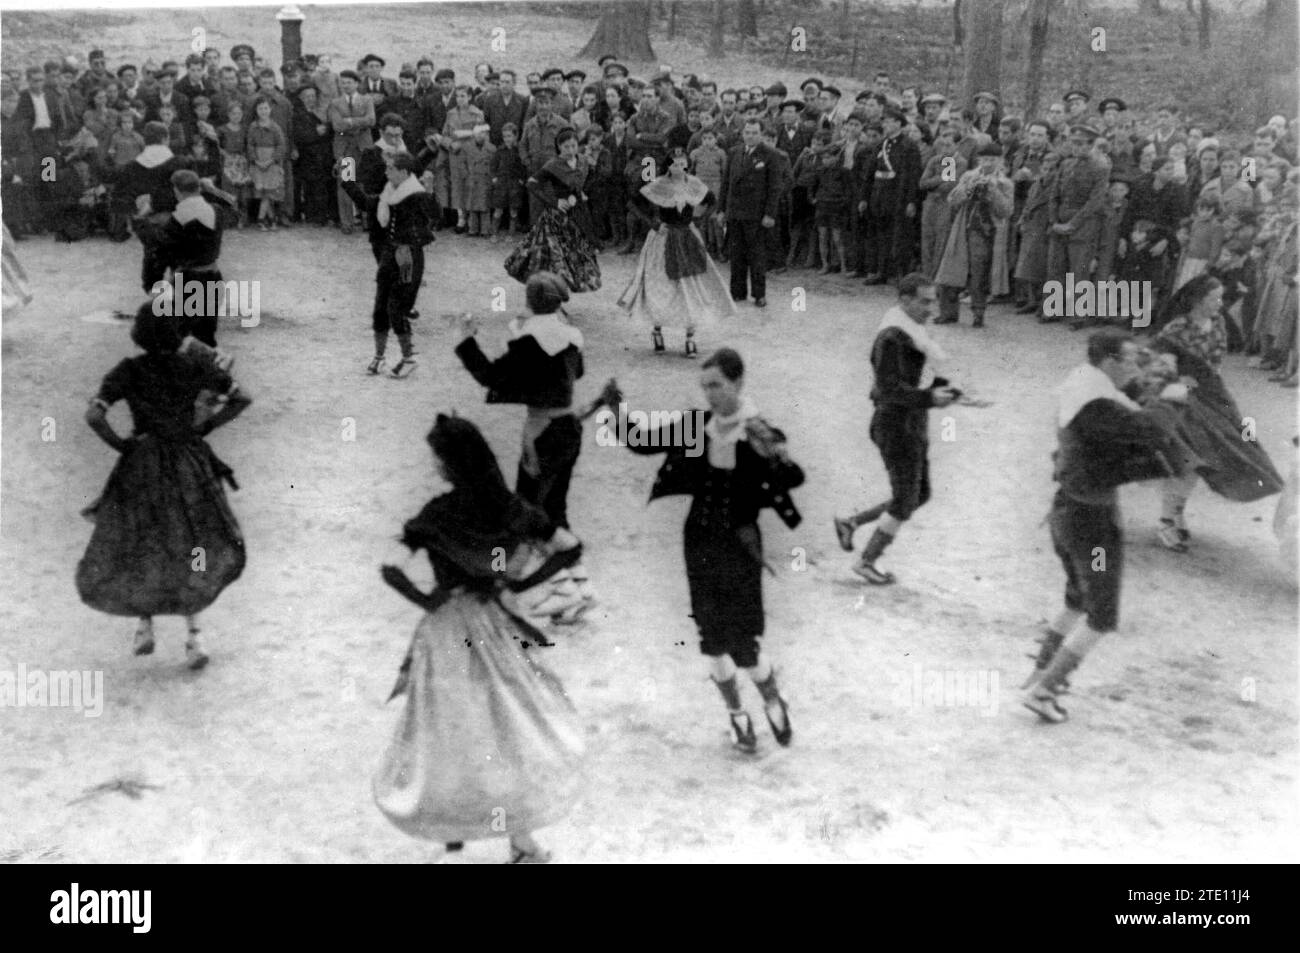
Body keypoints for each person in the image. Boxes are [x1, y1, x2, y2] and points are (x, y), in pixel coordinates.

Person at [374, 414, 586, 864]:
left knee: (449, 732)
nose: (435, 467)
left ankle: (453, 835)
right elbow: (569, 545)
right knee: (510, 730)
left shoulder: (437, 514)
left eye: (438, 458)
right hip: (495, 627)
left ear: (450, 464)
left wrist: (426, 600)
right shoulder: (508, 508)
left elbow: (391, 568)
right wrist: (520, 586)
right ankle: (522, 845)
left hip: (447, 631)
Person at [620, 348, 804, 754]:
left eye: (716, 385)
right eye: (704, 386)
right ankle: (737, 715)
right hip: (700, 541)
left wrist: (772, 450)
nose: (709, 394)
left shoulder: (757, 431)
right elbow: (641, 441)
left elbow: (792, 477)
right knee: (711, 638)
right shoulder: (697, 425)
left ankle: (773, 698)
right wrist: (616, 409)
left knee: (742, 643)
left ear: (738, 384)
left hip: (740, 545)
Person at [1022, 329, 1185, 723]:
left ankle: (1040, 672)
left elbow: (1125, 412)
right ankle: (1046, 688)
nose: (1134, 367)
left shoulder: (1084, 383)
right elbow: (1148, 430)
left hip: (1068, 513)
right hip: (1092, 527)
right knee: (1102, 612)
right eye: (1129, 360)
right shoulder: (1098, 402)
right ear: (1110, 361)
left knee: (1077, 596)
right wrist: (1171, 401)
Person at [77, 304, 251, 670]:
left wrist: (122, 445)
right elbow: (242, 398)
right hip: (188, 463)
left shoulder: (128, 371)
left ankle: (144, 626)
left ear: (138, 334)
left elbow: (94, 415)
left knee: (143, 539)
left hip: (142, 464)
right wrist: (205, 428)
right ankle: (195, 637)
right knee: (193, 541)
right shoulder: (196, 366)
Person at [833, 273, 959, 583]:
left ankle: (851, 523)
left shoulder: (909, 330)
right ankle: (866, 561)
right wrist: (931, 396)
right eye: (925, 301)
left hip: (909, 421)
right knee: (906, 498)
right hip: (895, 424)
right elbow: (889, 388)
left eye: (934, 300)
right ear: (904, 301)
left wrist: (945, 389)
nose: (932, 308)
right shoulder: (892, 337)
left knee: (920, 493)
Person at [1145, 275, 1285, 551]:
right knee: (1192, 457)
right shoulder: (1177, 329)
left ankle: (1175, 512)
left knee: (1233, 451)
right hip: (1181, 400)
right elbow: (1161, 369)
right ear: (1198, 300)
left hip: (1213, 397)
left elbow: (1215, 366)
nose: (1220, 305)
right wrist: (1179, 381)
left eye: (1221, 298)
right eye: (1215, 299)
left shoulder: (1219, 324)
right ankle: (1165, 520)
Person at [617, 146, 736, 356]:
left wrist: (699, 218)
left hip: (688, 237)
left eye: (682, 164)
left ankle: (690, 337)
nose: (679, 168)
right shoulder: (659, 184)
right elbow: (633, 203)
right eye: (674, 164)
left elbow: (712, 201)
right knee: (661, 285)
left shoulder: (694, 184)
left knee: (691, 286)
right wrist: (653, 224)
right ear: (668, 166)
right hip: (663, 239)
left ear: (687, 165)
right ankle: (657, 331)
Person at [342, 151, 438, 378]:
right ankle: (379, 357)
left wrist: (431, 191)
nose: (386, 171)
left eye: (390, 168)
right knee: (380, 305)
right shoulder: (389, 192)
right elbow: (366, 203)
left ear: (403, 173)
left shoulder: (417, 194)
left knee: (397, 306)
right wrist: (346, 180)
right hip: (390, 252)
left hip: (407, 256)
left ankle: (408, 358)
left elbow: (437, 214)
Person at [504, 127, 600, 293]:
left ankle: (561, 296)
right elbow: (532, 183)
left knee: (576, 257)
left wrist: (582, 192)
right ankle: (554, 300)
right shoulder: (553, 164)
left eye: (574, 145)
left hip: (578, 216)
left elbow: (588, 177)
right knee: (556, 261)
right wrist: (554, 202)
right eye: (566, 147)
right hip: (556, 219)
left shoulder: (583, 161)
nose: (571, 150)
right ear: (559, 147)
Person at [934, 142, 1014, 328]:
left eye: (992, 160)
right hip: (963, 229)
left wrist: (993, 189)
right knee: (951, 269)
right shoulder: (969, 176)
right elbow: (952, 200)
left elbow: (1006, 211)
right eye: (985, 159)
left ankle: (978, 313)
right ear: (979, 160)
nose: (988, 163)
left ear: (1000, 161)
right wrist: (969, 188)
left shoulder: (1005, 183)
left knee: (979, 274)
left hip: (986, 233)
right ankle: (948, 312)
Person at [716, 118, 779, 308]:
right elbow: (726, 183)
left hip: (756, 214)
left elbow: (774, 187)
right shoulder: (735, 152)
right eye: (747, 132)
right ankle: (737, 292)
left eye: (754, 133)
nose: (750, 136)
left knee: (757, 256)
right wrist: (721, 210)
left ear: (761, 134)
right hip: (735, 213)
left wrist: (770, 214)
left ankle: (759, 294)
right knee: (737, 254)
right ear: (742, 134)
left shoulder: (770, 155)